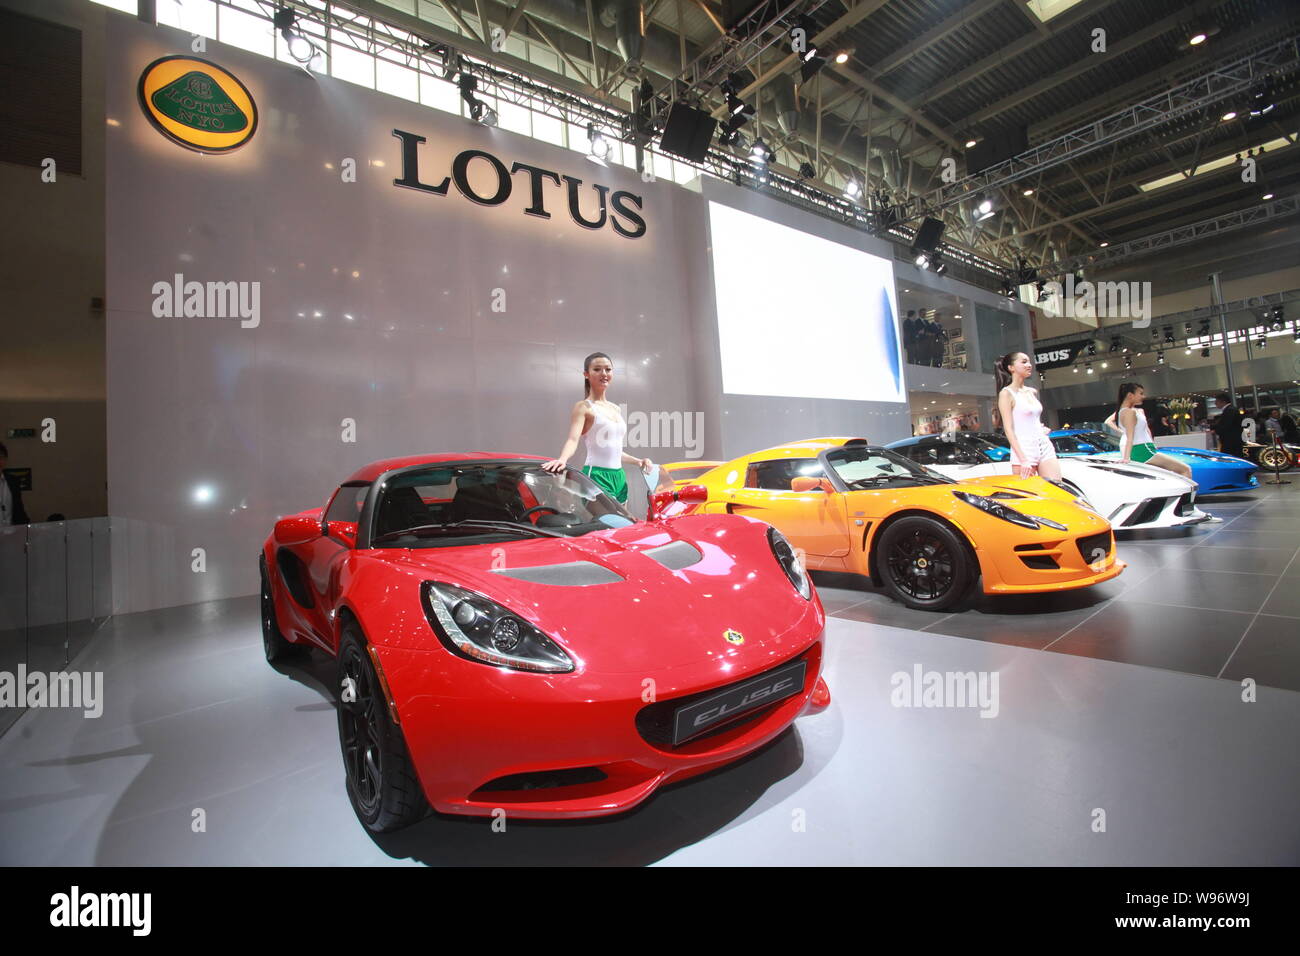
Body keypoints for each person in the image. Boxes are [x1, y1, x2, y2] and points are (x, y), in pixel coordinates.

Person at [542, 352, 651, 504]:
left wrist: (638, 461)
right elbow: (573, 439)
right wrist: (563, 459)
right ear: (586, 374)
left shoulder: (616, 409)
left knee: (622, 527)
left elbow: (613, 450)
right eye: (597, 369)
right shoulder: (583, 407)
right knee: (604, 525)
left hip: (619, 477)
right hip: (597, 475)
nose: (604, 373)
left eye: (608, 369)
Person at [995, 351, 1060, 480]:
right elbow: (1008, 429)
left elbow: (1032, 419)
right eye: (1024, 362)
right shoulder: (1006, 393)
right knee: (1030, 494)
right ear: (1011, 368)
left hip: (1043, 444)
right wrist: (1023, 460)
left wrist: (1041, 428)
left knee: (1056, 487)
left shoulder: (1032, 391)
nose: (1029, 365)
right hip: (1024, 448)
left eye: (1029, 362)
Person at [1112, 383, 1192, 479]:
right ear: (1130, 395)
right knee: (1185, 469)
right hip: (1143, 451)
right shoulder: (1128, 412)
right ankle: (1187, 494)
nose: (1143, 396)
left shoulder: (1126, 411)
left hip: (1144, 450)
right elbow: (1130, 437)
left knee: (1165, 477)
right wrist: (1126, 458)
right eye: (1141, 393)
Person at [0, 442, 30, 526]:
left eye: (1, 457)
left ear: (5, 460)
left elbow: (19, 509)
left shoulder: (13, 481)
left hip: (11, 533)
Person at [1212, 393, 1245, 459]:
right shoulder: (1230, 409)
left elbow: (1226, 425)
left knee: (1232, 459)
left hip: (1231, 441)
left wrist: (1216, 431)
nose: (1215, 403)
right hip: (1232, 440)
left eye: (1216, 401)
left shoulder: (1230, 410)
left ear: (1223, 401)